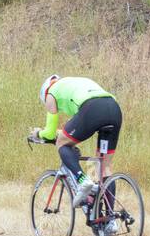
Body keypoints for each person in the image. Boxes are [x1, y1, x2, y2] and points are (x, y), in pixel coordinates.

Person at [30, 74, 122, 209]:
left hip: (92, 108)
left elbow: (49, 133)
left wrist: (37, 133)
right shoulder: (73, 84)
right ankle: (109, 220)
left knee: (61, 143)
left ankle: (83, 181)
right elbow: (74, 127)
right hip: (113, 109)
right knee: (104, 169)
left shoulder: (50, 93)